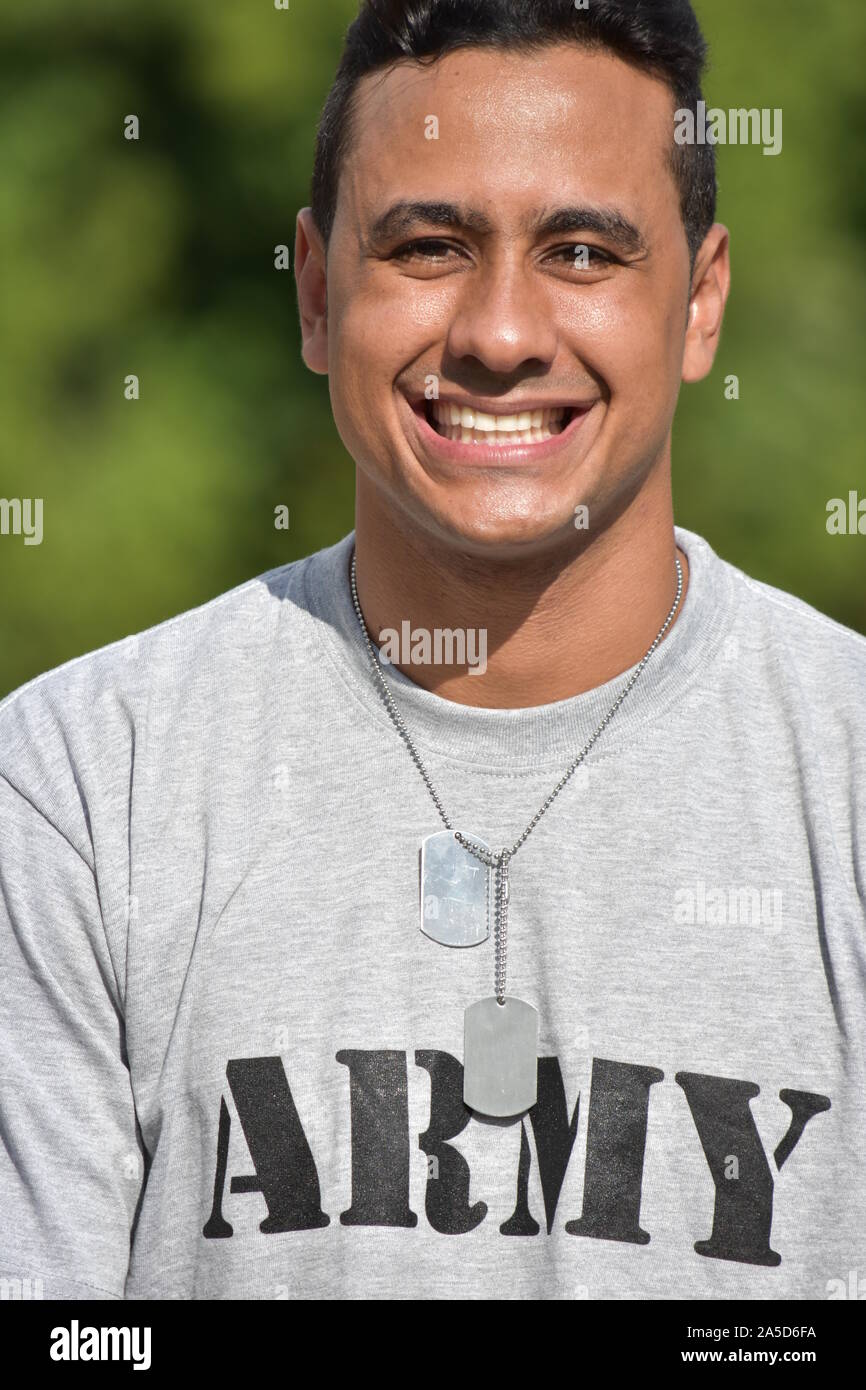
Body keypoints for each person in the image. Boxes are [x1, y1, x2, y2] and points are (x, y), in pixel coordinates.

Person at [1, 0, 864, 1301]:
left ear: (698, 301)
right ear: (312, 290)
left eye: (581, 250)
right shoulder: (76, 784)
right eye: (427, 246)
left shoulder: (842, 781)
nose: (500, 333)